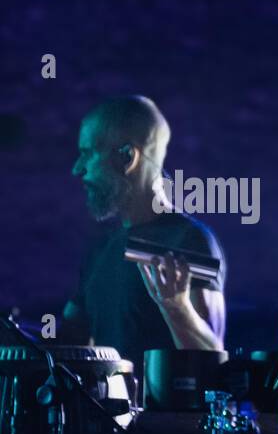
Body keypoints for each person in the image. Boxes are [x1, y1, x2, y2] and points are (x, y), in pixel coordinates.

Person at [63, 95, 226, 369]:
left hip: (159, 414)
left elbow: (214, 362)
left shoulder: (189, 241)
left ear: (127, 157)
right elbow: (67, 342)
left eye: (88, 153)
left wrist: (178, 308)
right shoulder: (100, 249)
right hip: (103, 412)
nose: (77, 168)